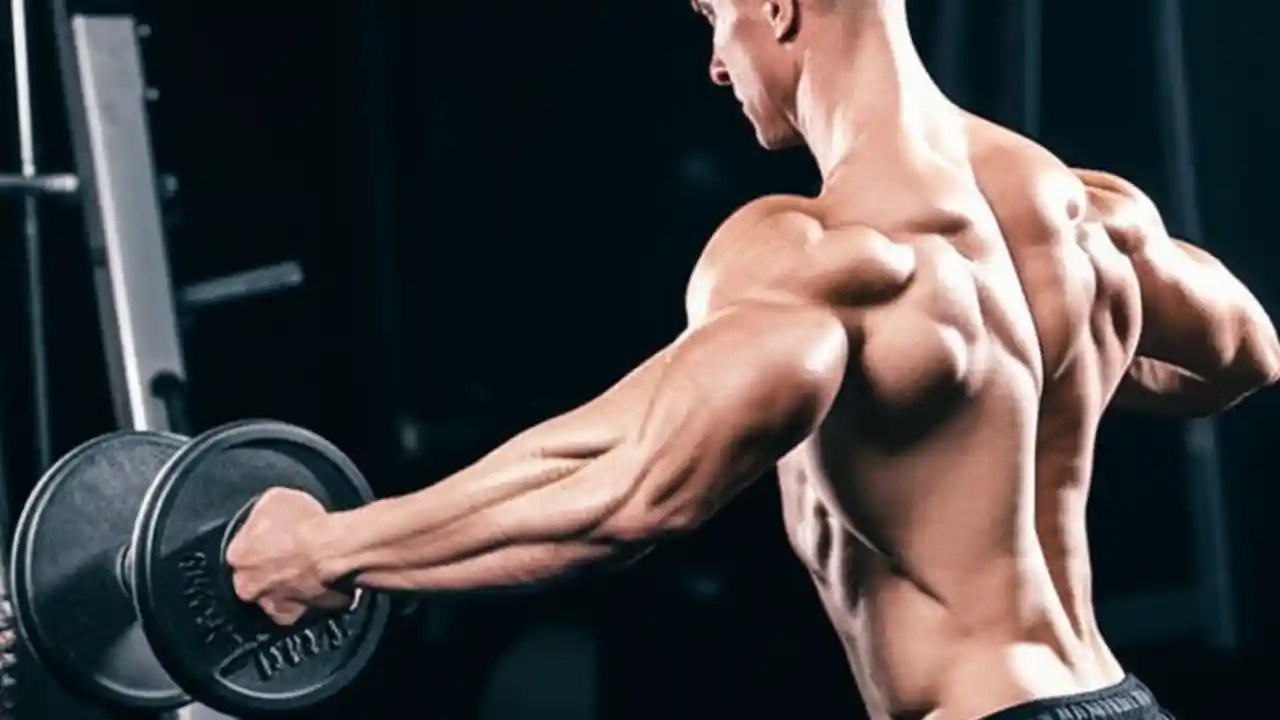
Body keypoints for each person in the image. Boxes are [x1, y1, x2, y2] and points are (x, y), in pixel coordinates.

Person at [225, 1, 1280, 718]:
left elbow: (626, 489)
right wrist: (1024, 380)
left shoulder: (814, 253)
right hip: (1118, 701)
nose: (715, 62)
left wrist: (327, 553)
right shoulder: (1082, 215)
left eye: (711, 14)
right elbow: (1242, 356)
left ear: (777, 3)